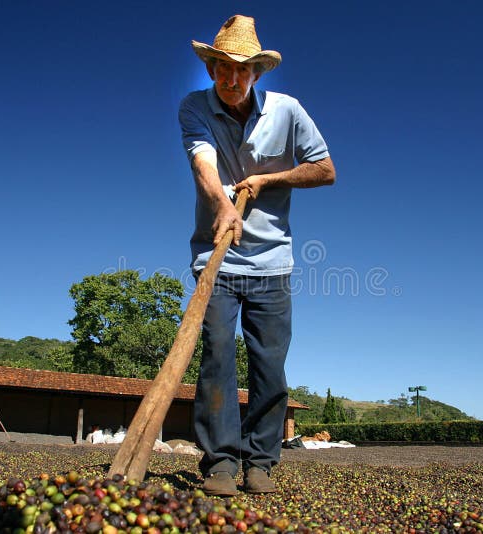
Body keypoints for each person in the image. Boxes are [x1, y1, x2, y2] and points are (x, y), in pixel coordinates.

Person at [179, 14, 335, 496]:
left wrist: (269, 180)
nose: (231, 79)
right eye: (223, 67)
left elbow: (325, 169)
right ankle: (221, 462)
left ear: (257, 73)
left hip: (272, 262)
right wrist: (224, 205)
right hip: (216, 257)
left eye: (242, 70)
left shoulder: (287, 111)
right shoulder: (194, 108)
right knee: (217, 356)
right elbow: (203, 164)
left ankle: (261, 460)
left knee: (269, 362)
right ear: (211, 68)